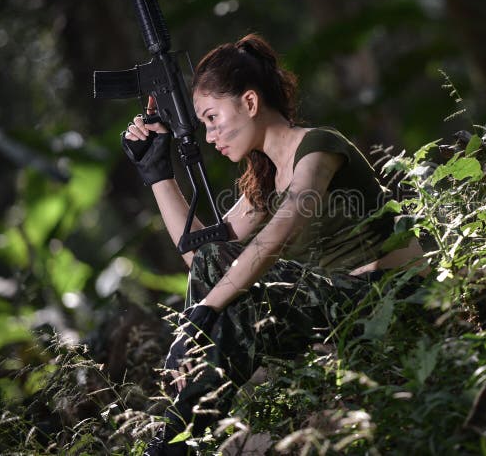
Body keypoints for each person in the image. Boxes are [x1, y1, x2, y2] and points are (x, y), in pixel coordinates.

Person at [121, 33, 427, 455]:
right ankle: (182, 432)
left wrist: (200, 316)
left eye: (212, 118)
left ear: (250, 102)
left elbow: (279, 234)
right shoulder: (266, 178)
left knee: (240, 300)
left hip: (391, 299)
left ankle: (178, 436)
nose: (209, 135)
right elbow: (203, 258)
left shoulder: (318, 147)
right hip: (337, 312)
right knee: (218, 266)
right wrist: (158, 174)